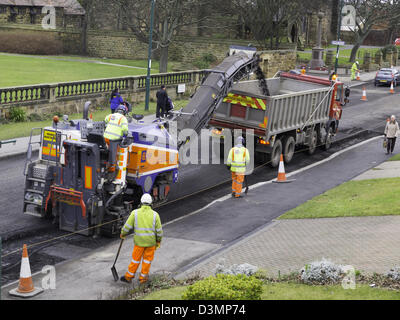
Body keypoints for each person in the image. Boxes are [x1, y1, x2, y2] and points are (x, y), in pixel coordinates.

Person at [120, 194, 163, 284]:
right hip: (151, 243)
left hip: (139, 243)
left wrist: (123, 233)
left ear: (141, 202)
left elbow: (127, 225)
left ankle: (129, 277)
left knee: (135, 260)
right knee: (147, 261)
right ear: (151, 203)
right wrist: (158, 240)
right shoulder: (155, 215)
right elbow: (159, 231)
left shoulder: (135, 213)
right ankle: (143, 278)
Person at [103, 105, 129, 179]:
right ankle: (111, 172)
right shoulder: (123, 118)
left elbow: (105, 120)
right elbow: (124, 129)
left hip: (106, 137)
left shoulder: (111, 115)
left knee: (106, 152)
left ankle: (106, 164)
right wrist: (126, 134)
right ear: (124, 112)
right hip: (114, 139)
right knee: (112, 155)